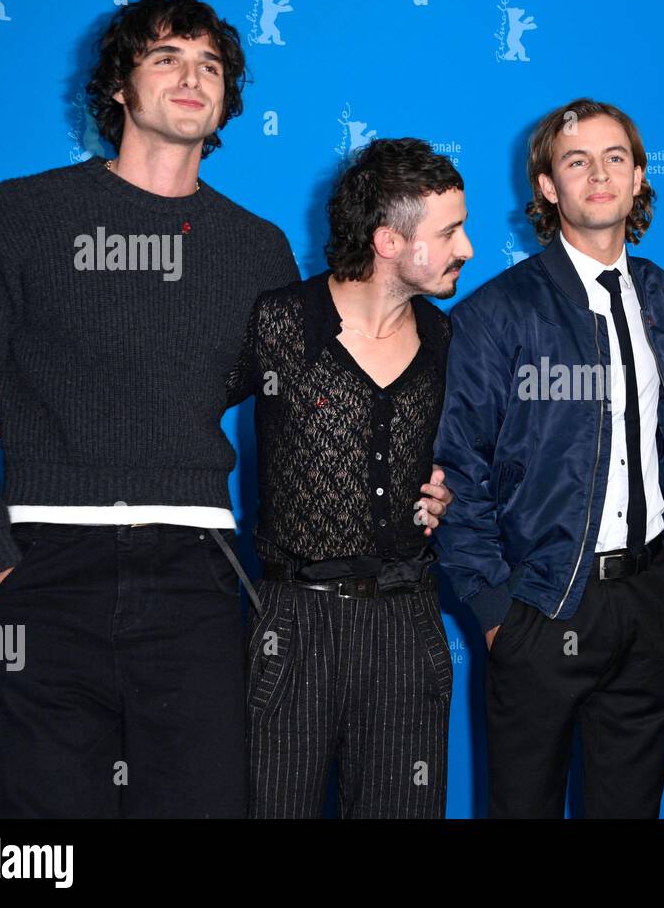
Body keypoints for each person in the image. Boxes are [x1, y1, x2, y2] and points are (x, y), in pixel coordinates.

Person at [0, 0, 299, 817]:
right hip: (45, 572)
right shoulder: (20, 216)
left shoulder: (259, 250)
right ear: (120, 88)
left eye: (210, 65)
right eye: (166, 57)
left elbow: (301, 417)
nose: (192, 76)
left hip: (199, 576)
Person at [433, 98, 664, 818]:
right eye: (576, 160)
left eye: (615, 158)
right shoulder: (497, 312)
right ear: (546, 187)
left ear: (638, 179)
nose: (599, 174)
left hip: (652, 599)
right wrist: (495, 607)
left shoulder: (662, 293)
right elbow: (456, 466)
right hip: (543, 603)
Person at [230, 138, 461, 818]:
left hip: (407, 624)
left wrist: (453, 494)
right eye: (449, 231)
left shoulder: (447, 339)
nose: (467, 248)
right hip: (293, 625)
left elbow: (486, 463)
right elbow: (179, 418)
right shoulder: (281, 322)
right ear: (390, 240)